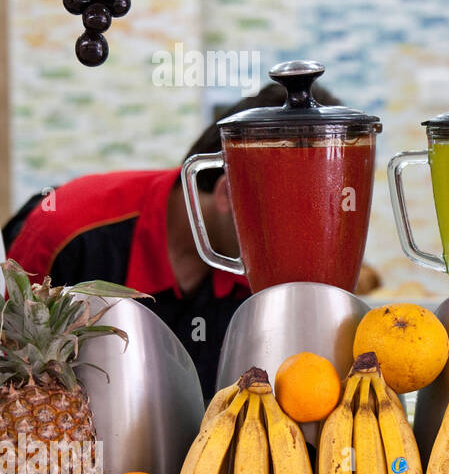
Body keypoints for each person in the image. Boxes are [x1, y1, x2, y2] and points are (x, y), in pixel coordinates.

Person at [2, 83, 342, 398]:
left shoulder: (261, 279)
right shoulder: (69, 231)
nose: (306, 237)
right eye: (298, 214)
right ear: (229, 192)